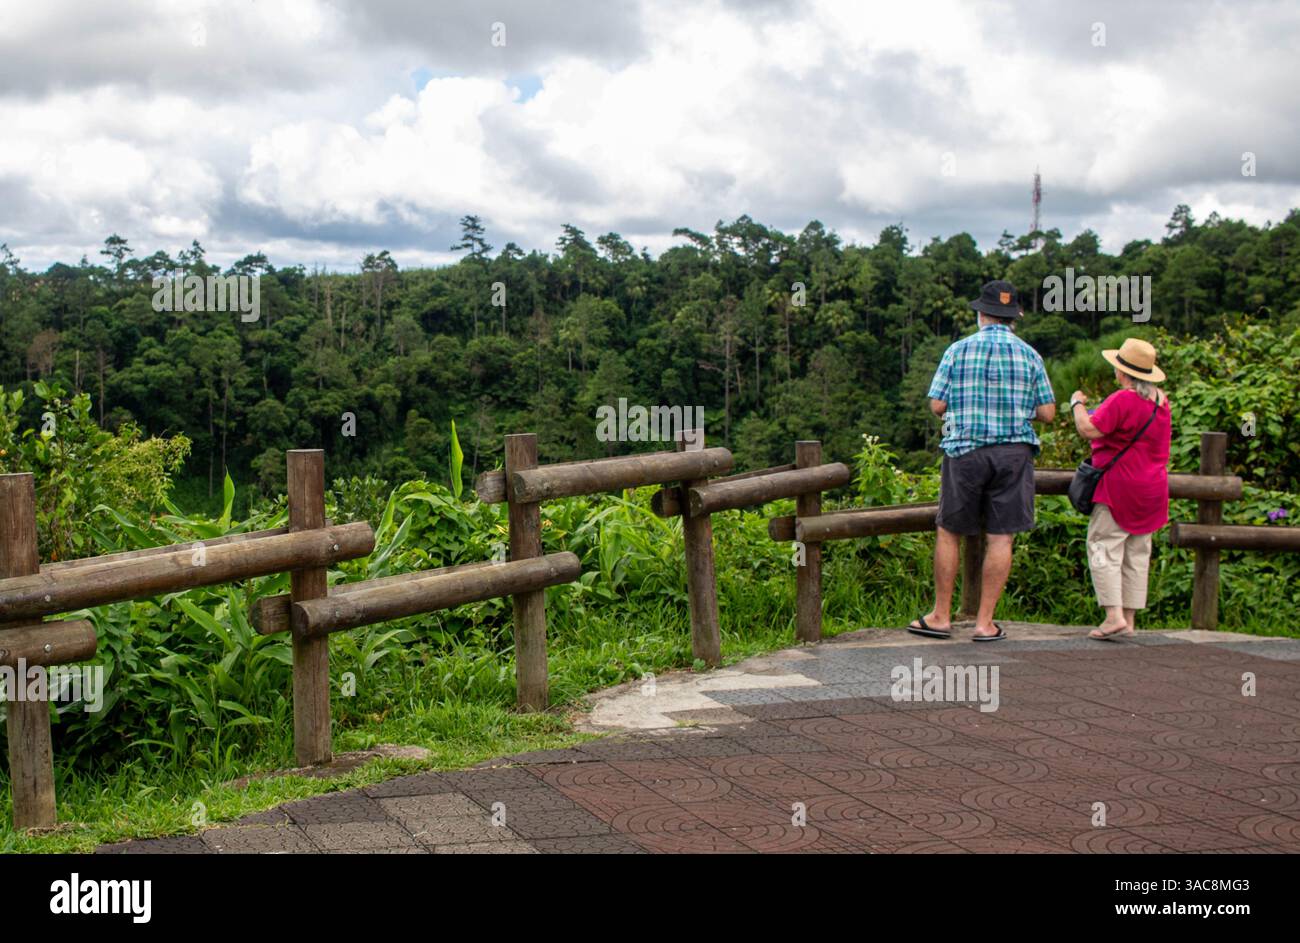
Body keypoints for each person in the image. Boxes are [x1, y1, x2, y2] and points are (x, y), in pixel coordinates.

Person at [908, 280, 1056, 642]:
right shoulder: (1030, 355)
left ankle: (941, 616)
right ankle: (984, 623)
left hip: (965, 450)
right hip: (1014, 454)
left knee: (950, 530)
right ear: (1013, 318)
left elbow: (938, 405)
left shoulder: (957, 351)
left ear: (981, 314)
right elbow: (1048, 412)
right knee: (1001, 537)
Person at [1068, 337, 1171, 640]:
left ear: (1123, 372)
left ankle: (1113, 616)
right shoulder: (1161, 402)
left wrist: (1077, 404)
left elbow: (1088, 428)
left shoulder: (1123, 399)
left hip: (1119, 485)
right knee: (1137, 553)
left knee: (1103, 546)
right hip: (1153, 487)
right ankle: (1129, 619)